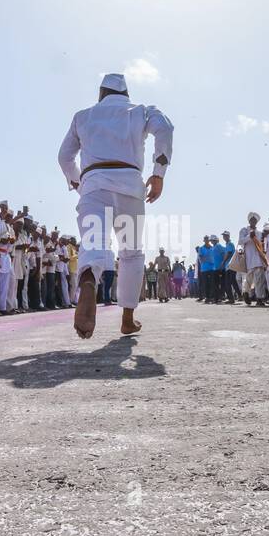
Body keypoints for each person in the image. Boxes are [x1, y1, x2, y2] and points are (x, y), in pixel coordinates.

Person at [59, 72, 174, 339]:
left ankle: (88, 280)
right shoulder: (141, 111)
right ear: (126, 95)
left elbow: (64, 157)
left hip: (93, 183)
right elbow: (165, 127)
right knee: (131, 253)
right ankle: (127, 319)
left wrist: (78, 182)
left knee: (93, 243)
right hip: (130, 185)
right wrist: (158, 173)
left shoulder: (83, 116)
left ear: (101, 94)